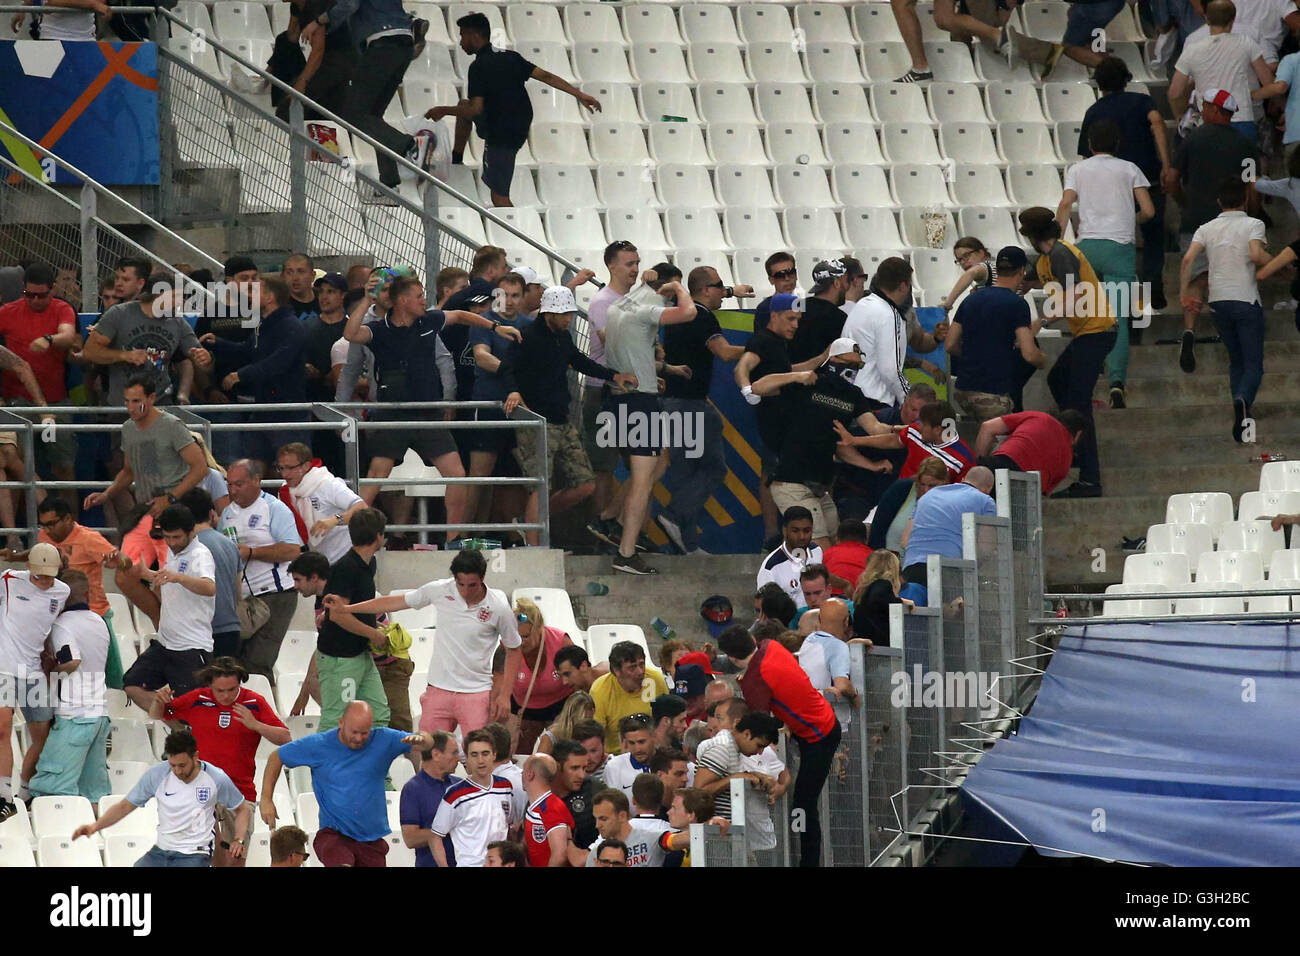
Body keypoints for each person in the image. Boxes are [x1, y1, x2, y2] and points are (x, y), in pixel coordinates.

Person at [344, 274, 520, 542]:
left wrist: (495, 328)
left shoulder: (429, 320)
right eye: (418, 296)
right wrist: (367, 299)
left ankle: (453, 540)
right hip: (394, 414)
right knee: (377, 474)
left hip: (428, 413)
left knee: (457, 475)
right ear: (403, 301)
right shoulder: (379, 330)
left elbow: (460, 315)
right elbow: (350, 333)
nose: (424, 301)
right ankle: (349, 538)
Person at [501, 285, 636, 546]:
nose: (568, 319)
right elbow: (506, 368)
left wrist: (613, 375)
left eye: (570, 314)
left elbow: (580, 361)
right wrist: (514, 392)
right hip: (536, 421)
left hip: (561, 419)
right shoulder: (528, 335)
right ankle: (533, 545)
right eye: (563, 314)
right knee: (539, 486)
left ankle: (531, 521)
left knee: (586, 485)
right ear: (548, 312)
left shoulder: (562, 337)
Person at [425, 12, 602, 206]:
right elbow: (546, 77)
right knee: (462, 105)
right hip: (518, 125)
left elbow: (475, 110)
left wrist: (442, 110)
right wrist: (580, 95)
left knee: (499, 196)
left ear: (474, 35)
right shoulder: (511, 57)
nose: (460, 42)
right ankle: (457, 158)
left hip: (501, 133)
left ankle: (518, 234)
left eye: (462, 35)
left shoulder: (478, 66)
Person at [337, 549, 522, 733]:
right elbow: (395, 602)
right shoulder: (440, 590)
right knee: (429, 750)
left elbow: (514, 649)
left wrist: (505, 695)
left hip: (476, 691)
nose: (465, 591)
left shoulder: (498, 606)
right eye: (461, 584)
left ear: (482, 579)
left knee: (478, 754)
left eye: (472, 585)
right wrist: (347, 609)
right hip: (438, 689)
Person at [598, 270, 699, 575]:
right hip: (639, 401)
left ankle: (607, 518)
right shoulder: (646, 310)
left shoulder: (619, 306)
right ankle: (626, 553)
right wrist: (680, 287)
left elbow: (632, 350)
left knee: (658, 465)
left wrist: (655, 372)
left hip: (622, 398)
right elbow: (688, 312)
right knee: (643, 481)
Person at [716, 623, 840, 867]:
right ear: (751, 639)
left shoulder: (755, 680)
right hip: (818, 722)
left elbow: (760, 725)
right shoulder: (771, 645)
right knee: (802, 802)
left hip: (819, 736)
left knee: (804, 804)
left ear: (732, 657)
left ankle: (809, 862)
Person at [148, 656, 290, 868]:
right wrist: (158, 701)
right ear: (209, 685)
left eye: (231, 690)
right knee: (207, 850)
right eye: (219, 690)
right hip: (202, 790)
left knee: (235, 861)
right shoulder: (197, 698)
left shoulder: (254, 702)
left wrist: (256, 725)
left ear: (240, 682)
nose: (225, 696)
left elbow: (285, 737)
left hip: (240, 793)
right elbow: (157, 714)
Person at [1018, 207, 1119, 499]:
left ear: (1034, 237)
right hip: (1087, 333)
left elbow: (1075, 296)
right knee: (1058, 381)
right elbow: (1034, 280)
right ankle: (1075, 443)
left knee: (1078, 403)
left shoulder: (1062, 254)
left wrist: (1041, 321)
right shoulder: (1047, 260)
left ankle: (1090, 477)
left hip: (1098, 331)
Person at [1057, 120, 1156, 409]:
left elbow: (1065, 206)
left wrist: (1059, 241)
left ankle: (1089, 371)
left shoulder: (1077, 170)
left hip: (1086, 247)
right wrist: (1130, 221)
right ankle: (1116, 382)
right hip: (1120, 248)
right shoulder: (1129, 168)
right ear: (1118, 145)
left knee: (1088, 314)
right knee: (1118, 319)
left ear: (1089, 145)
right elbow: (1148, 210)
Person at [1166, 88, 1262, 377]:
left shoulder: (1192, 140)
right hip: (1234, 222)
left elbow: (1171, 178)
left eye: (1206, 105)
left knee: (1196, 277)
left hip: (1196, 220)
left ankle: (1189, 329)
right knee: (1228, 277)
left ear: (1217, 111)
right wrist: (1252, 216)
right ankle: (1232, 336)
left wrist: (1184, 202)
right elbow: (1252, 188)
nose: (1202, 110)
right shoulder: (1246, 146)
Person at [655, 265, 751, 554]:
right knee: (712, 468)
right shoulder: (703, 316)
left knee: (685, 474)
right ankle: (672, 516)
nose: (723, 291)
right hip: (691, 405)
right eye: (719, 286)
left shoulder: (677, 312)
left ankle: (687, 543)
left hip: (671, 403)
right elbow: (723, 352)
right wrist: (758, 349)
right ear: (706, 290)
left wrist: (733, 291)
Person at [263, 701, 429, 867]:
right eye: (354, 732)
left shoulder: (384, 739)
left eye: (364, 733)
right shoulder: (319, 744)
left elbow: (429, 742)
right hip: (334, 835)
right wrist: (266, 799)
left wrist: (423, 739)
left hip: (371, 839)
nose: (358, 738)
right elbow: (276, 757)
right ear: (341, 722)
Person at [771, 337, 896, 548]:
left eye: (858, 367)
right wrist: (795, 376)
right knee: (821, 549)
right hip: (793, 482)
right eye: (849, 365)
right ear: (834, 361)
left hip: (820, 487)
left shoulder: (853, 395)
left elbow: (874, 429)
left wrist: (905, 430)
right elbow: (759, 386)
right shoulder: (809, 383)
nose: (853, 371)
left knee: (839, 545)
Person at [1078, 56, 1175, 311]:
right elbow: (1157, 122)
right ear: (1126, 79)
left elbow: (1087, 156)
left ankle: (1121, 290)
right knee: (1154, 234)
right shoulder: (1142, 101)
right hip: (1149, 176)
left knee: (1115, 236)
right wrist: (1166, 164)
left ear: (1099, 84)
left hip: (1112, 187)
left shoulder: (1094, 111)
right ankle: (1153, 282)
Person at [83, 373, 210, 565]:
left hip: (175, 509)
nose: (131, 407)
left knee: (169, 572)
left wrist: (170, 498)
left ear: (151, 398)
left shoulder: (171, 425)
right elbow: (128, 470)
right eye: (127, 401)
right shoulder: (128, 428)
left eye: (136, 401)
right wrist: (106, 495)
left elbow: (200, 468)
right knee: (127, 569)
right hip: (147, 509)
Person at [1180, 177, 1271, 442]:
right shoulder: (1254, 224)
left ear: (1219, 202)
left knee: (1236, 362)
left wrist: (1184, 292)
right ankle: (1243, 400)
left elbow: (1187, 258)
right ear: (1244, 200)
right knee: (1253, 364)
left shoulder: (1205, 228)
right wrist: (1279, 263)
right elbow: (1255, 254)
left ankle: (1241, 417)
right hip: (1246, 300)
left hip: (1218, 302)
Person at [76, 729, 250, 867]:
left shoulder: (216, 778)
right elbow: (124, 806)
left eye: (182, 765)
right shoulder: (157, 775)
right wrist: (95, 826)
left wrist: (238, 839)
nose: (177, 771)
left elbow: (242, 809)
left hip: (196, 852)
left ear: (195, 757)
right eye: (173, 765)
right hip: (162, 850)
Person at [302, 0, 420, 191]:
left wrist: (319, 22)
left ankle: (408, 145)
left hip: (381, 42)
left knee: (353, 115)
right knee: (373, 119)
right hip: (404, 43)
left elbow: (350, 4)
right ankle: (388, 185)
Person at [295, 509, 391, 727]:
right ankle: (322, 762)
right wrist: (373, 634)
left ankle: (369, 761)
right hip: (340, 657)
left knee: (379, 716)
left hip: (360, 653)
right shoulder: (346, 568)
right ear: (379, 536)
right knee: (337, 718)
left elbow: (351, 609)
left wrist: (373, 626)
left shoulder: (368, 563)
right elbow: (338, 615)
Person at [118, 505, 215, 712]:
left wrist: (178, 577)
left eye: (177, 537)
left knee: (193, 708)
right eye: (167, 537)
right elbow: (169, 581)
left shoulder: (200, 554)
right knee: (132, 685)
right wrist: (147, 574)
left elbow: (209, 587)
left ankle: (184, 732)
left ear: (191, 532)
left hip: (191, 646)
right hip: (165, 643)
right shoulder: (173, 553)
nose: (171, 543)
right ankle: (177, 727)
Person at [200, 277, 308, 463]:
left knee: (287, 466)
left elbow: (278, 362)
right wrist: (219, 343)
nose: (250, 296)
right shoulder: (262, 324)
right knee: (254, 464)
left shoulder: (291, 326)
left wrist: (240, 375)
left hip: (286, 409)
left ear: (269, 298)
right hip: (263, 406)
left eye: (255, 291)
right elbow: (247, 350)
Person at [27, 570, 112, 804]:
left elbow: (71, 662)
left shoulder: (62, 625)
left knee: (50, 791)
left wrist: (50, 672)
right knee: (93, 793)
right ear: (88, 593)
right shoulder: (100, 622)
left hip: (74, 715)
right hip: (99, 714)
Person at [0, 261, 81, 505]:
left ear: (52, 289)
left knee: (64, 469)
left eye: (41, 295)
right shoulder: (7, 312)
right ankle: (20, 535)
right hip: (18, 404)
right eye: (29, 295)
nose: (35, 300)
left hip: (53, 405)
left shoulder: (62, 309)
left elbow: (68, 335)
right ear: (23, 289)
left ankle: (72, 532)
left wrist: (49, 339)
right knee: (18, 470)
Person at [220, 459, 304, 679]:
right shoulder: (227, 514)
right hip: (243, 597)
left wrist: (252, 552)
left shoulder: (274, 509)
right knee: (231, 662)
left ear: (256, 481)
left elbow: (292, 550)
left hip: (276, 595)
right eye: (229, 485)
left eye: (239, 484)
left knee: (258, 663)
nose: (233, 490)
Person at [945, 247, 1049, 419]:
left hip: (964, 392)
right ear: (1022, 271)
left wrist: (975, 357)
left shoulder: (971, 300)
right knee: (1004, 444)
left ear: (997, 269)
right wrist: (1043, 360)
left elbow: (950, 345)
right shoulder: (1017, 304)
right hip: (994, 396)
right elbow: (1030, 354)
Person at [82, 273, 212, 407]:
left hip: (161, 405)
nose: (180, 302)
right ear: (158, 295)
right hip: (123, 406)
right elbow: (90, 352)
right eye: (175, 297)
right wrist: (124, 355)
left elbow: (201, 362)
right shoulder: (119, 314)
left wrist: (206, 359)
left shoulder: (178, 323)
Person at [466, 273, 532, 526]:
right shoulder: (483, 322)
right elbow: (482, 356)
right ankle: (465, 534)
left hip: (521, 410)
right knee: (479, 476)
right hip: (489, 404)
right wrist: (511, 373)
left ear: (524, 296)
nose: (510, 301)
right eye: (504, 295)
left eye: (515, 295)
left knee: (520, 478)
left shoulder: (528, 325)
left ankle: (516, 534)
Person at [1168, 1, 1273, 143]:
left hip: (1208, 122)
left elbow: (1175, 92)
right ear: (1233, 19)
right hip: (1243, 120)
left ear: (1206, 19)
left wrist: (1180, 114)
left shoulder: (1192, 48)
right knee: (1248, 164)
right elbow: (1268, 82)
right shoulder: (1247, 42)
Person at [901, 466, 998, 604]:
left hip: (912, 568)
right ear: (988, 489)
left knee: (916, 619)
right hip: (948, 569)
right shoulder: (985, 501)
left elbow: (905, 540)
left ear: (964, 479)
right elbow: (986, 547)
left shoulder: (928, 496)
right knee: (950, 620)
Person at [430, 728, 519, 867]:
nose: (480, 760)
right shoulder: (455, 794)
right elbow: (435, 836)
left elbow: (509, 828)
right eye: (474, 755)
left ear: (494, 755)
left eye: (485, 754)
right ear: (467, 758)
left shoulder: (505, 787)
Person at [842, 257, 914, 411]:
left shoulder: (862, 304)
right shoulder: (888, 314)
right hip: (874, 401)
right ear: (903, 286)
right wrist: (909, 401)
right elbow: (890, 371)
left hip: (850, 395)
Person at [274, 441, 365, 564]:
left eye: (290, 468)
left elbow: (362, 508)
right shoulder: (284, 492)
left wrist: (334, 520)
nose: (285, 474)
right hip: (320, 562)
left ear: (306, 466)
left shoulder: (327, 484)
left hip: (349, 558)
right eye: (281, 468)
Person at [179, 488, 242, 658]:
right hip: (230, 629)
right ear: (211, 513)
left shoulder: (187, 548)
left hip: (199, 632)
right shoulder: (230, 545)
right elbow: (238, 591)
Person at [510, 597, 575, 753]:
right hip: (524, 707)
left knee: (563, 752)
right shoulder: (508, 644)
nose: (521, 642)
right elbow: (499, 684)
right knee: (518, 751)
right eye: (517, 636)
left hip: (561, 705)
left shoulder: (561, 641)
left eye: (526, 636)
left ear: (540, 629)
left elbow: (581, 675)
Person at [974, 410, 1088, 496]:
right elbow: (1041, 495)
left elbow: (987, 427)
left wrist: (978, 468)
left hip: (999, 464)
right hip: (1023, 493)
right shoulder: (1066, 461)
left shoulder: (1039, 417)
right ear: (1078, 435)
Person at [590, 641, 670, 753]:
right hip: (617, 755)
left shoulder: (655, 679)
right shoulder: (600, 690)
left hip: (653, 751)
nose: (640, 671)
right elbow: (595, 736)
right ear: (617, 670)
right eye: (632, 668)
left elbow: (667, 718)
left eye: (642, 664)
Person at [399, 729, 462, 867]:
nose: (458, 758)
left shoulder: (460, 785)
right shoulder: (413, 789)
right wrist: (447, 829)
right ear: (436, 754)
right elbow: (410, 838)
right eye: (454, 753)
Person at [757, 506, 824, 607]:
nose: (802, 536)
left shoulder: (816, 551)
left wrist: (844, 584)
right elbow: (765, 608)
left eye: (806, 531)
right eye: (795, 531)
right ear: (785, 530)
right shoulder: (771, 568)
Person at [584, 788, 668, 867]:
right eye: (596, 819)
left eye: (603, 819)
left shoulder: (652, 840)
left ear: (622, 816)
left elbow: (677, 840)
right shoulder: (596, 854)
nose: (597, 825)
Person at [521, 752, 579, 867]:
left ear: (530, 774)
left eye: (523, 771)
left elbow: (560, 855)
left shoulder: (552, 808)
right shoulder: (535, 807)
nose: (521, 775)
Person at [656, 787, 723, 867]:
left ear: (691, 815)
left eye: (674, 808)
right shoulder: (665, 836)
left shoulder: (714, 847)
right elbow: (664, 841)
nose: (668, 812)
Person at [552, 737, 598, 849]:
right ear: (557, 767)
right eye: (575, 768)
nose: (581, 775)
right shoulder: (541, 792)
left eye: (584, 768)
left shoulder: (594, 790)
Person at [603, 713, 657, 799]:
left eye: (641, 742)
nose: (637, 749)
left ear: (654, 737)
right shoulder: (614, 767)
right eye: (631, 743)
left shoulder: (669, 763)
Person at [533, 691, 595, 757]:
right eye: (584, 719)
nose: (587, 725)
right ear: (571, 716)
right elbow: (539, 765)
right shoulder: (551, 737)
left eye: (590, 719)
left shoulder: (591, 735)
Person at [823, 520, 872, 595]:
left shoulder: (827, 553)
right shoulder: (873, 555)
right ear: (866, 540)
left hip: (831, 598)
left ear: (837, 539)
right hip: (862, 598)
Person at [280, 254, 319, 320]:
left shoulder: (324, 298)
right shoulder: (279, 304)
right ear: (283, 277)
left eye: (301, 272)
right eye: (289, 272)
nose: (295, 278)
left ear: (312, 275)